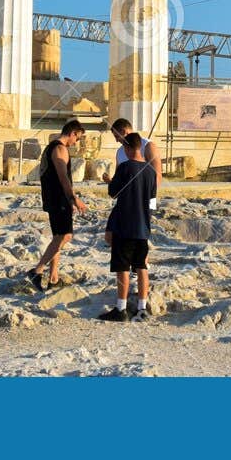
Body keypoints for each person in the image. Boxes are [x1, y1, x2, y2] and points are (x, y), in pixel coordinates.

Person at [100, 132, 158, 322]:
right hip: (143, 226)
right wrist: (147, 219)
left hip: (124, 225)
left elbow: (114, 193)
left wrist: (109, 182)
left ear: (127, 148)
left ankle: (121, 308)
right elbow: (152, 201)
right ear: (139, 148)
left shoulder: (125, 168)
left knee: (122, 267)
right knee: (142, 266)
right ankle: (142, 307)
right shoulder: (151, 172)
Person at [29, 120, 86, 291]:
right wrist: (73, 198)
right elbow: (63, 177)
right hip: (58, 199)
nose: (76, 143)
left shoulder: (50, 147)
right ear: (73, 133)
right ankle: (37, 270)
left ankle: (53, 277)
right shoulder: (60, 149)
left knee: (57, 237)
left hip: (53, 199)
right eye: (78, 138)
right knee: (65, 236)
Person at [109, 118, 161, 211]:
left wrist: (149, 202)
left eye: (117, 136)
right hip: (126, 201)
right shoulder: (120, 151)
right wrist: (110, 182)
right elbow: (117, 179)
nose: (116, 140)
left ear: (124, 131)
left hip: (145, 200)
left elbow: (157, 176)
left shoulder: (148, 146)